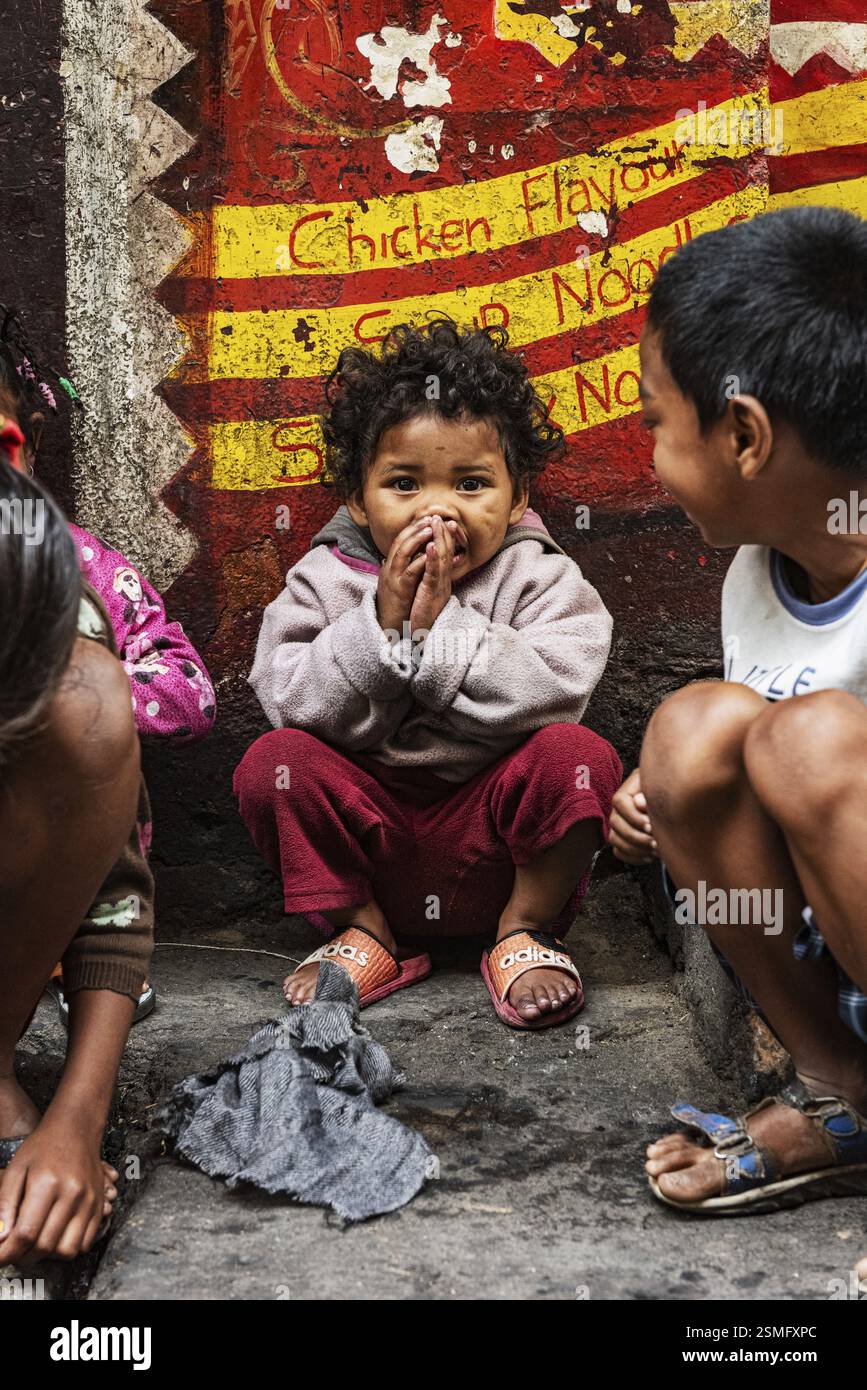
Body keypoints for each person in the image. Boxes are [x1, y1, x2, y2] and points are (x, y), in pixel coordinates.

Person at [607, 206, 867, 1287]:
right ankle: (845, 1089)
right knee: (691, 733)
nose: (651, 456)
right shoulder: (755, 581)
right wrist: (661, 800)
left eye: (659, 422)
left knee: (806, 745)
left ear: (746, 435)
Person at [235, 319, 621, 1029]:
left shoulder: (537, 575)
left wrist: (440, 628)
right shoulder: (323, 579)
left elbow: (556, 690)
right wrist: (377, 628)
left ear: (516, 495)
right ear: (357, 498)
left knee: (578, 757)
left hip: (494, 852)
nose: (437, 509)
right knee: (274, 764)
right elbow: (287, 696)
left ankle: (524, 933)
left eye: (471, 483)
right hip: (373, 842)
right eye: (404, 483)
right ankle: (366, 932)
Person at [0, 307, 216, 1023]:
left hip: (69, 867)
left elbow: (189, 694)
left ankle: (77, 953)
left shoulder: (86, 568)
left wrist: (67, 690)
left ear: (25, 447)